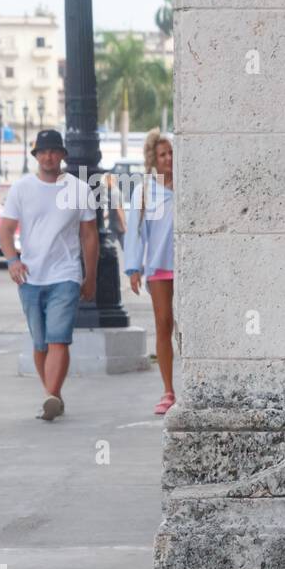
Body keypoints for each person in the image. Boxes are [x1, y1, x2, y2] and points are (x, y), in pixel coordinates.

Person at [0, 130, 98, 421]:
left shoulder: (79, 189)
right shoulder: (21, 189)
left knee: (58, 339)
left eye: (54, 151)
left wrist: (89, 277)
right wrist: (12, 260)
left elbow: (90, 236)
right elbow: (5, 230)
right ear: (36, 156)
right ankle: (53, 396)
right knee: (40, 343)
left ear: (63, 155)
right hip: (29, 276)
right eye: (43, 151)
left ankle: (51, 396)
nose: (48, 156)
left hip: (65, 274)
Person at [123, 130, 176, 415]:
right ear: (153, 160)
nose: (168, 159)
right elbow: (135, 232)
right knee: (163, 324)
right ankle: (168, 391)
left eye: (171, 153)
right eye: (162, 155)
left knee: (188, 327)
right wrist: (133, 268)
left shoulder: (187, 184)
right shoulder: (145, 190)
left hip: (187, 267)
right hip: (158, 267)